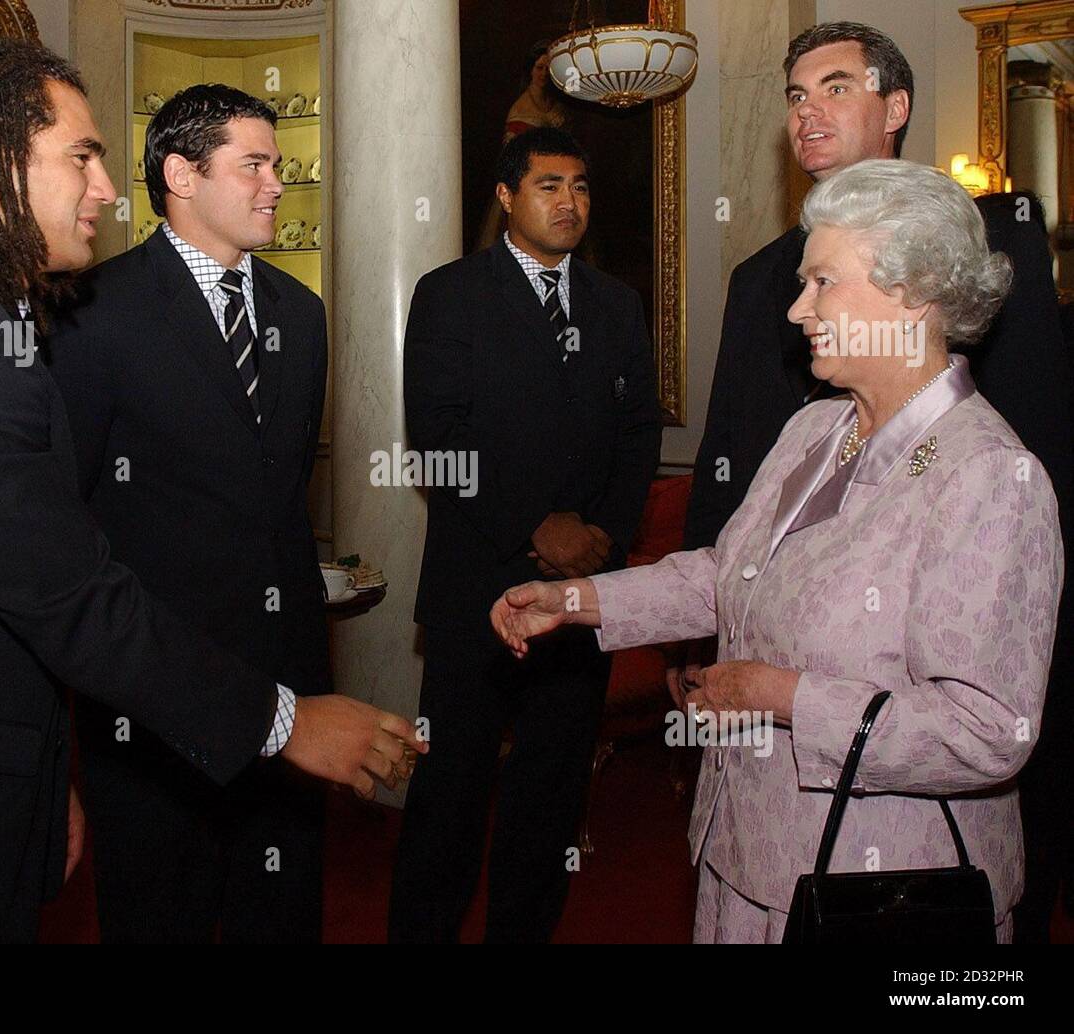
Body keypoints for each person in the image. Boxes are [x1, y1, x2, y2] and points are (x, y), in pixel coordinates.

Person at [0, 38, 421, 944]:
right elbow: (71, 592)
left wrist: (44, 778)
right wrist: (284, 721)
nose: (109, 189)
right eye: (82, 155)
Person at [494, 159, 1064, 943]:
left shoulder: (990, 475)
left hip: (887, 888)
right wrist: (579, 601)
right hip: (747, 854)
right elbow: (730, 571)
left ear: (914, 292)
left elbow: (985, 732)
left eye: (823, 283)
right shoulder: (814, 428)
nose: (799, 310)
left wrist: (784, 696)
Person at [680, 21, 1074, 939]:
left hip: (937, 664)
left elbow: (1034, 462)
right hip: (765, 686)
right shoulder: (758, 278)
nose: (808, 111)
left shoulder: (978, 244)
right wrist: (698, 634)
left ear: (896, 108)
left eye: (836, 87)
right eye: (794, 95)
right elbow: (730, 458)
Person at [46, 84, 338, 943]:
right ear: (181, 172)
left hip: (287, 688)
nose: (276, 185)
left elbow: (281, 507)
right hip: (152, 707)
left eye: (277, 166)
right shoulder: (91, 311)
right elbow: (67, 521)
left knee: (279, 914)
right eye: (253, 165)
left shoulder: (302, 315)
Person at [391, 126, 663, 942]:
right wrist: (532, 527)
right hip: (477, 590)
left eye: (580, 186)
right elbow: (435, 441)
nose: (569, 202)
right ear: (507, 197)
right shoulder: (450, 293)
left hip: (581, 597)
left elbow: (639, 432)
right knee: (450, 797)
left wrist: (603, 536)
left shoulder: (617, 303)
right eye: (549, 186)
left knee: (548, 799)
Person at [474, 41, 569, 251]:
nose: (544, 73)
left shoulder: (556, 105)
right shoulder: (521, 108)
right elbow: (512, 156)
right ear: (531, 70)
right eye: (539, 68)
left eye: (548, 68)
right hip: (530, 184)